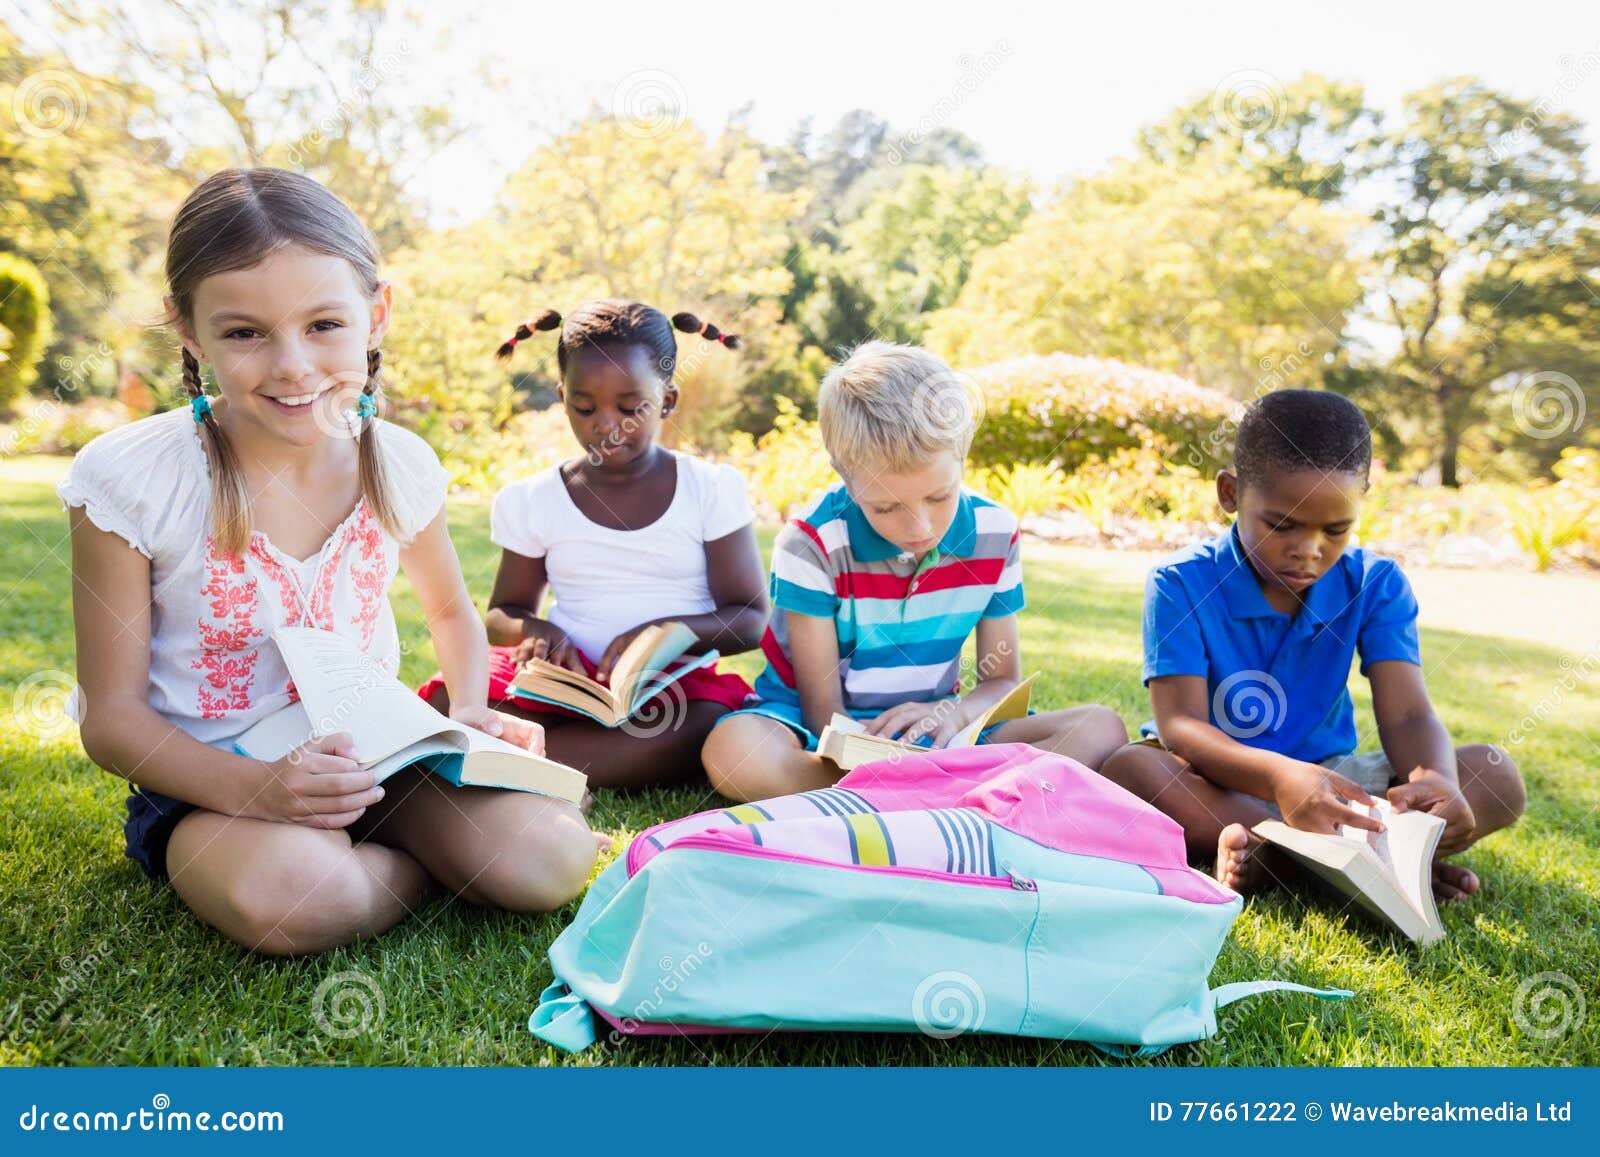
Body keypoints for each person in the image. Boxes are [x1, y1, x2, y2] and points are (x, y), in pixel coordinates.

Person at [61, 168, 599, 956]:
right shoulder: (133, 478)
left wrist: (473, 708)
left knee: (551, 857)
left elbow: (450, 610)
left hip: (377, 749)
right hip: (216, 785)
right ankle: (414, 871)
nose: (292, 366)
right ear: (187, 328)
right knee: (294, 896)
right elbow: (112, 722)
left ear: (376, 314)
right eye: (244, 332)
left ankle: (413, 844)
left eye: (323, 324)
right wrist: (266, 793)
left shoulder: (398, 464)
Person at [1099, 389, 1525, 899]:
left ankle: (1285, 858)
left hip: (1333, 783)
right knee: (1131, 768)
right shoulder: (1182, 582)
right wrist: (1280, 778)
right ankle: (1354, 866)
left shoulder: (1375, 584)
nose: (1309, 550)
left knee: (1494, 775)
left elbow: (1408, 718)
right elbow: (1181, 727)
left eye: (1336, 529)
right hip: (1217, 781)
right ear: (1231, 493)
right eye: (1283, 525)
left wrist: (1438, 781)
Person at [701, 341, 1129, 802]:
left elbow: (1001, 679)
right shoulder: (811, 544)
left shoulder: (994, 532)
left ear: (962, 453)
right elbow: (822, 709)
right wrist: (878, 752)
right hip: (822, 736)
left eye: (939, 497)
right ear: (845, 474)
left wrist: (951, 715)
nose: (919, 527)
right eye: (886, 507)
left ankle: (889, 794)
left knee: (1099, 727)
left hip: (936, 732)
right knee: (736, 750)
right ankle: (943, 795)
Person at [418, 300, 767, 790]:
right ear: (562, 397)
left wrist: (663, 632)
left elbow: (749, 620)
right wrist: (539, 630)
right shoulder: (536, 498)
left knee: (704, 724)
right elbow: (502, 615)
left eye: (631, 407)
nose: (607, 424)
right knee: (447, 697)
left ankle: (511, 757)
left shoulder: (707, 489)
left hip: (670, 687)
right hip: (564, 681)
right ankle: (531, 749)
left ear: (667, 400)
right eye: (585, 407)